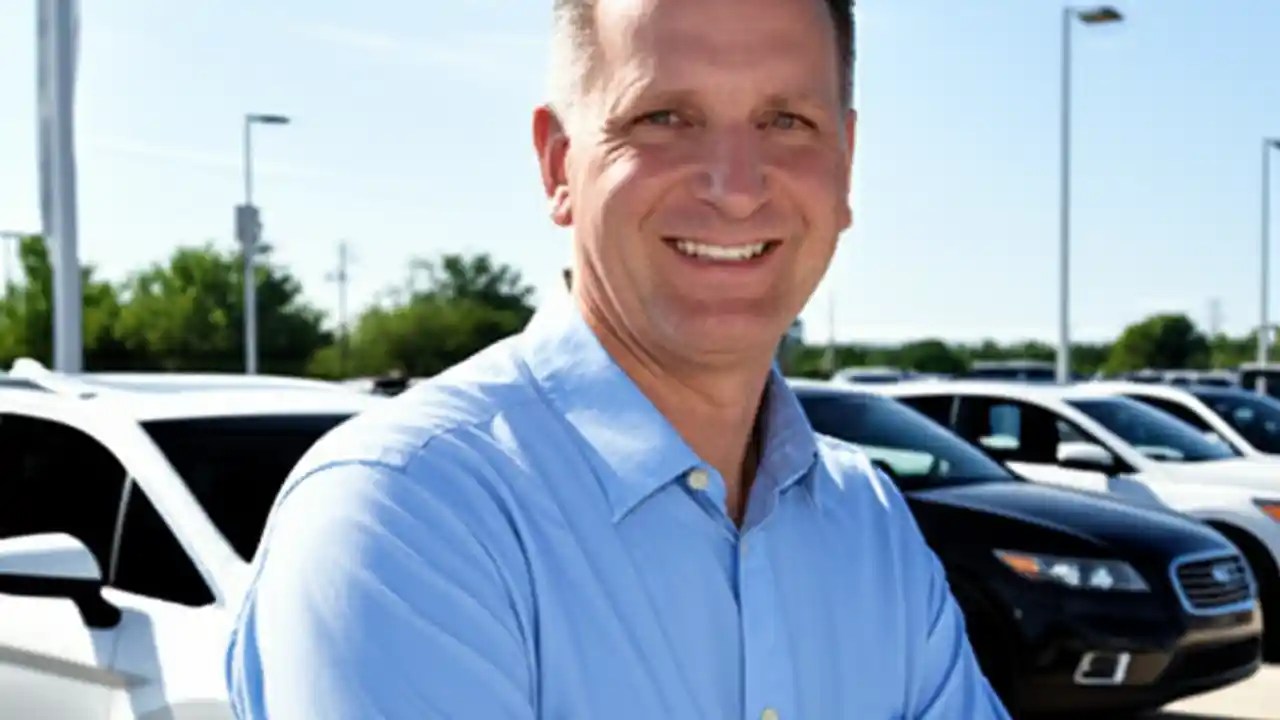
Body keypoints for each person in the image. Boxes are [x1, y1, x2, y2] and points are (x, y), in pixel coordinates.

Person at [224, 0, 1011, 717]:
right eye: (666, 116)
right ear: (558, 164)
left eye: (786, 120)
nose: (735, 188)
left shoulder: (866, 525)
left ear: (846, 162)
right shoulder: (407, 517)